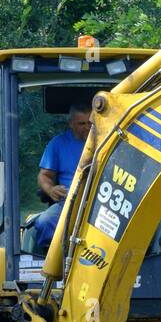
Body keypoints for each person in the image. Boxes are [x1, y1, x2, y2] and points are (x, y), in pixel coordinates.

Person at [32, 103, 92, 250]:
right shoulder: (58, 144)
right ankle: (51, 264)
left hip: (103, 201)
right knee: (45, 222)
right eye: (81, 123)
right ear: (71, 123)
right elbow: (44, 176)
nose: (87, 127)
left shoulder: (107, 140)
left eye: (90, 123)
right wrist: (50, 189)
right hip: (69, 202)